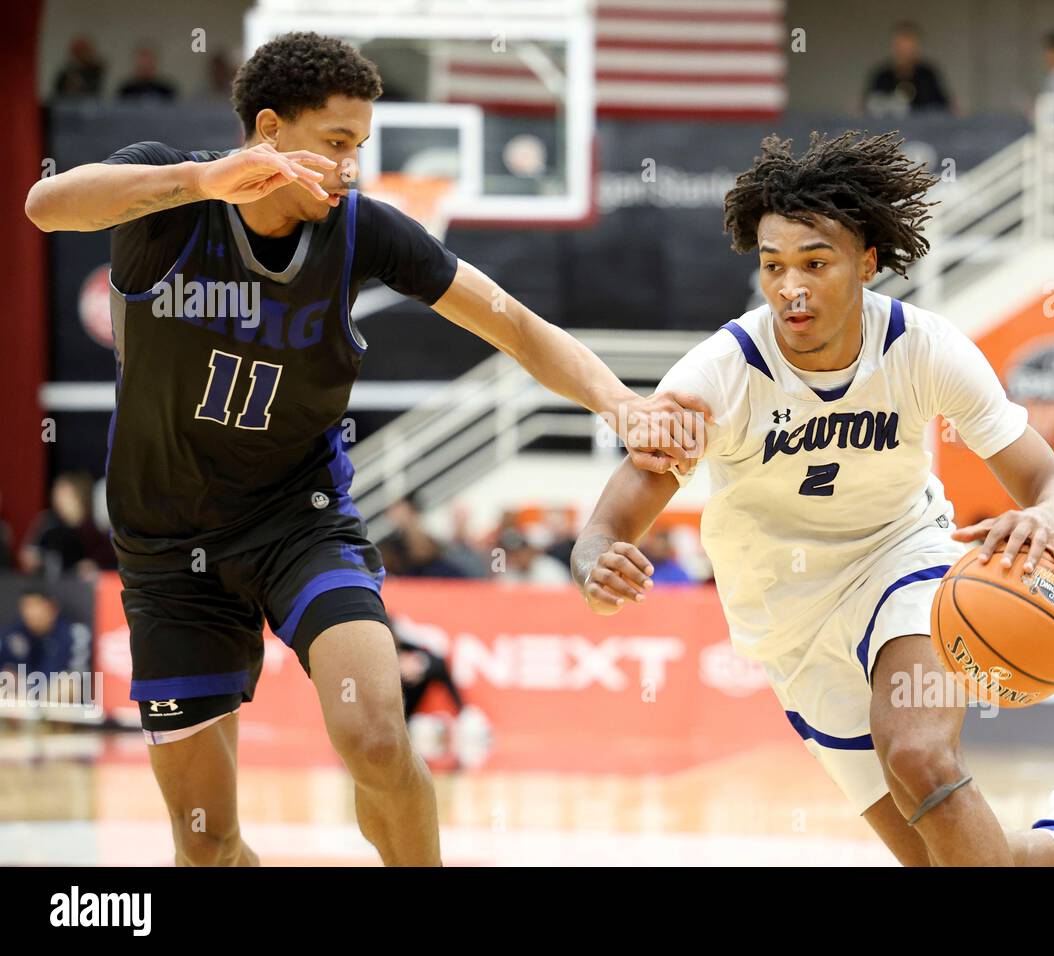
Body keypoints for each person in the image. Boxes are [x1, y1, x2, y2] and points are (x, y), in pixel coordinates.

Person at [25, 31, 709, 868]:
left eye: (361, 147)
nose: (352, 166)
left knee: (377, 737)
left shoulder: (363, 230)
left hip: (297, 523)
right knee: (205, 846)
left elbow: (513, 324)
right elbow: (46, 204)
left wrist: (620, 405)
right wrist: (202, 179)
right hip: (168, 548)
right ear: (269, 131)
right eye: (337, 143)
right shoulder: (166, 194)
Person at [570, 130, 1054, 867]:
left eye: (814, 262)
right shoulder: (720, 374)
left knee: (921, 759)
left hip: (905, 560)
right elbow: (608, 525)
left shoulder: (924, 348)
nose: (790, 287)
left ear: (866, 262)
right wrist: (595, 562)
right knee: (942, 855)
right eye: (773, 266)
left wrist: (1042, 519)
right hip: (786, 615)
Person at [862, 23, 950, 116]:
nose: (905, 52)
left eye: (909, 46)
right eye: (901, 46)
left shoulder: (927, 75)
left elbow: (943, 107)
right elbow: (868, 107)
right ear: (894, 47)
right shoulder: (882, 75)